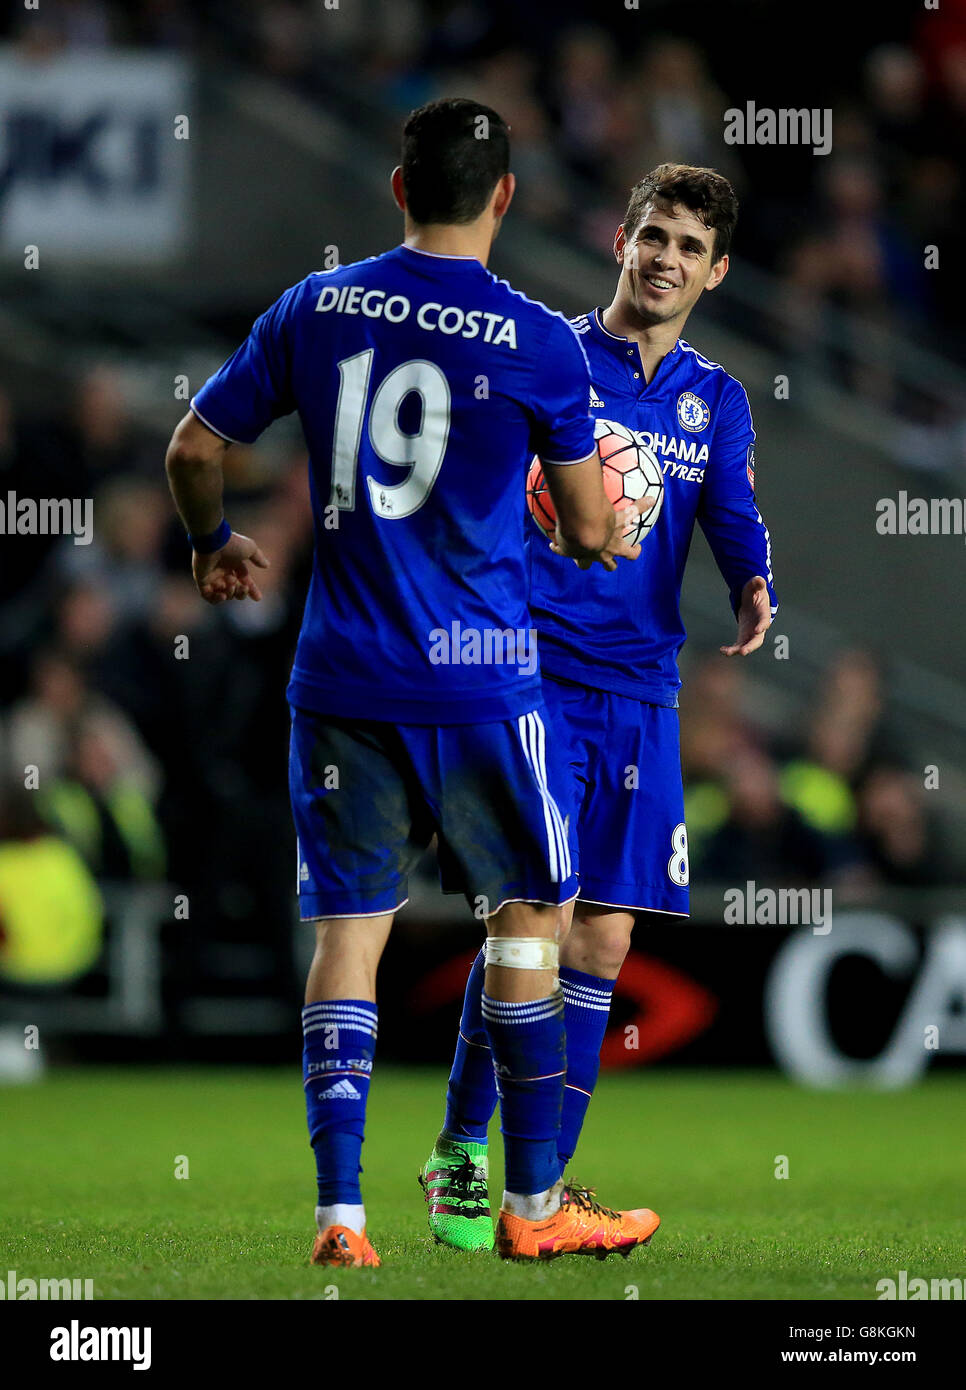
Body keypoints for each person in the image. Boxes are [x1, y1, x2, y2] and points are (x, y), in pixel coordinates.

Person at [165, 99, 657, 1267]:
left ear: (397, 189)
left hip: (340, 675)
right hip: (485, 684)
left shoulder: (317, 306)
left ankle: (343, 1216)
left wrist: (210, 542)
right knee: (531, 917)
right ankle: (529, 1207)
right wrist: (608, 529)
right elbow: (589, 527)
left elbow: (193, 449)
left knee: (350, 937)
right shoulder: (540, 340)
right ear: (505, 197)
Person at [423, 163, 777, 1252]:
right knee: (527, 920)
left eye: (690, 247)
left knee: (607, 936)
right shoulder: (553, 357)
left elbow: (729, 507)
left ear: (715, 274)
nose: (667, 258)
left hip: (642, 687)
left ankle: (548, 1186)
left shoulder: (714, 398)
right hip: (531, 672)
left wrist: (753, 575)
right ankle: (463, 1162)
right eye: (654, 235)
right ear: (622, 241)